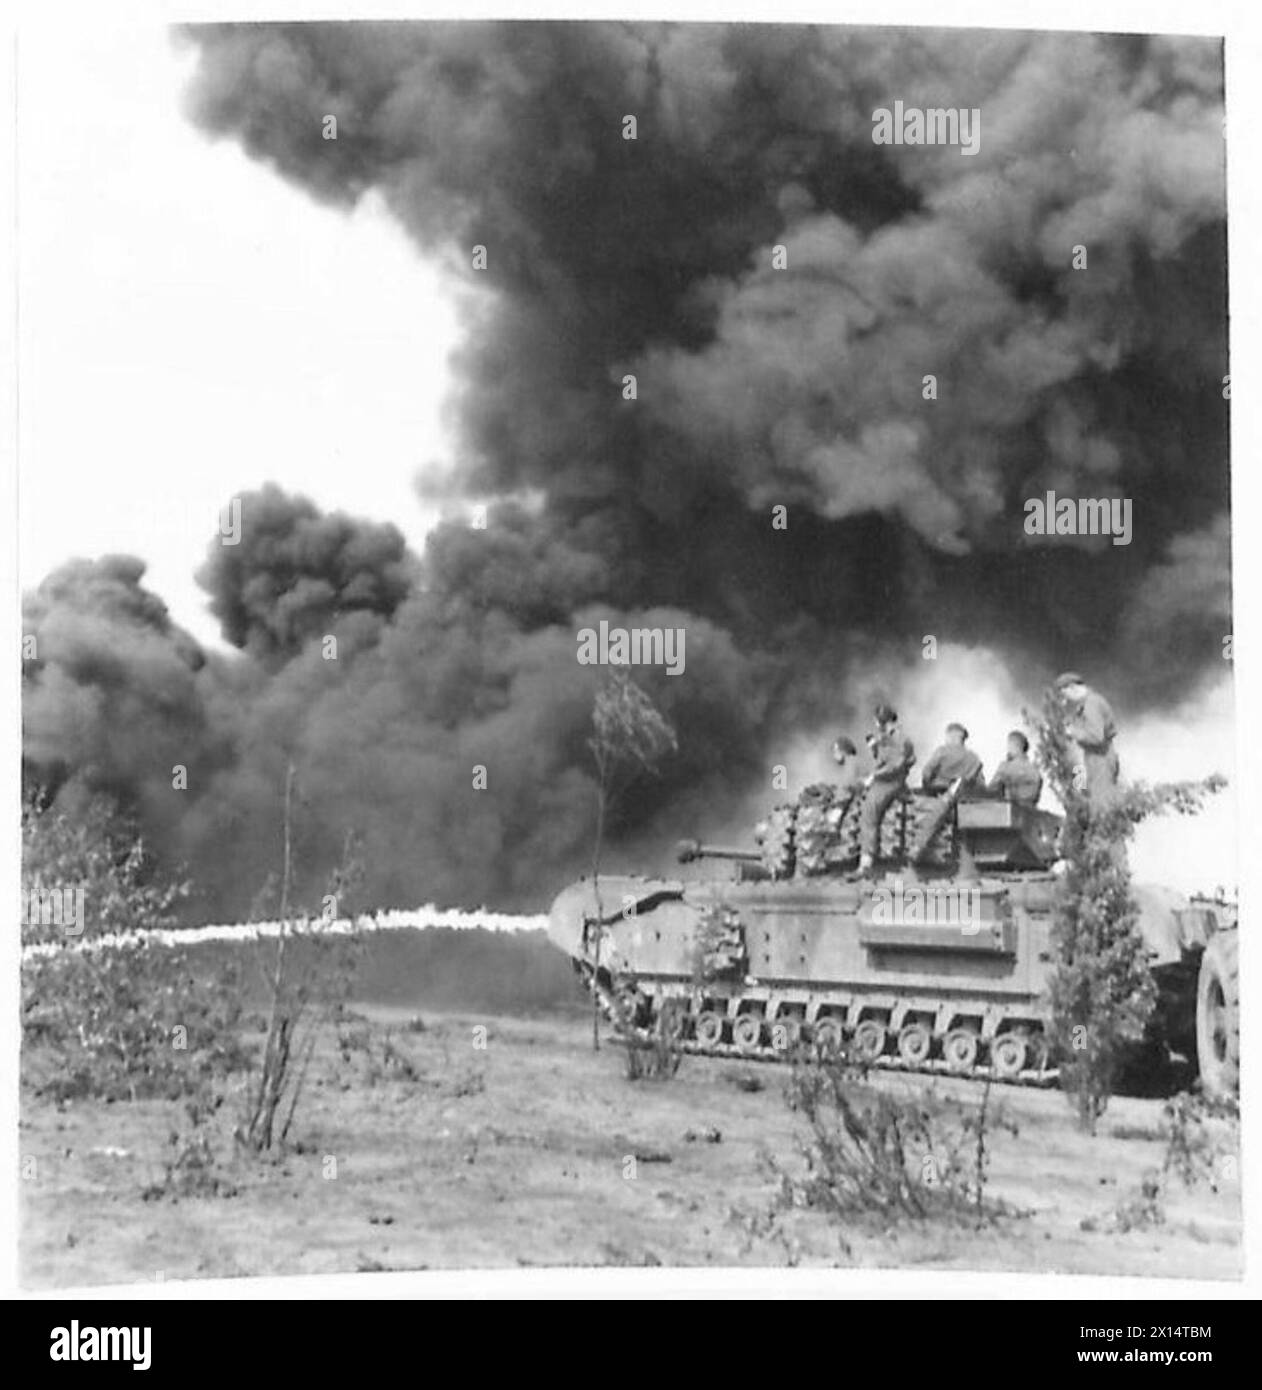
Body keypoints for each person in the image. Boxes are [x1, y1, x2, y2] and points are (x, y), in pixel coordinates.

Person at [858, 704, 915, 874]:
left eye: (877, 721)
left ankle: (866, 862)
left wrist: (874, 776)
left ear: (883, 721)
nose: (876, 725)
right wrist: (874, 748)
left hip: (889, 782)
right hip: (890, 779)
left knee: (869, 812)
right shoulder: (887, 736)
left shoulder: (898, 737)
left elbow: (895, 764)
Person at [1055, 672, 1119, 805]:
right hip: (1090, 758)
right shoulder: (1085, 705)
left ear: (1072, 687)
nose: (1065, 700)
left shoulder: (1091, 703)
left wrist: (1072, 732)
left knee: (1101, 804)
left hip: (1100, 759)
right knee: (1086, 800)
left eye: (1064, 694)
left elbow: (1096, 737)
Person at [920, 723, 985, 795]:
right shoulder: (974, 757)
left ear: (951, 737)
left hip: (939, 793)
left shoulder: (942, 751)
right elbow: (980, 782)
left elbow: (926, 772)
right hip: (964, 795)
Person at [988, 730, 1043, 806]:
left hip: (1009, 812)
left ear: (1013, 746)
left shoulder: (1005, 767)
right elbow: (1036, 797)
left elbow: (991, 791)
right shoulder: (1036, 772)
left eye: (1009, 747)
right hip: (1030, 814)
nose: (1008, 750)